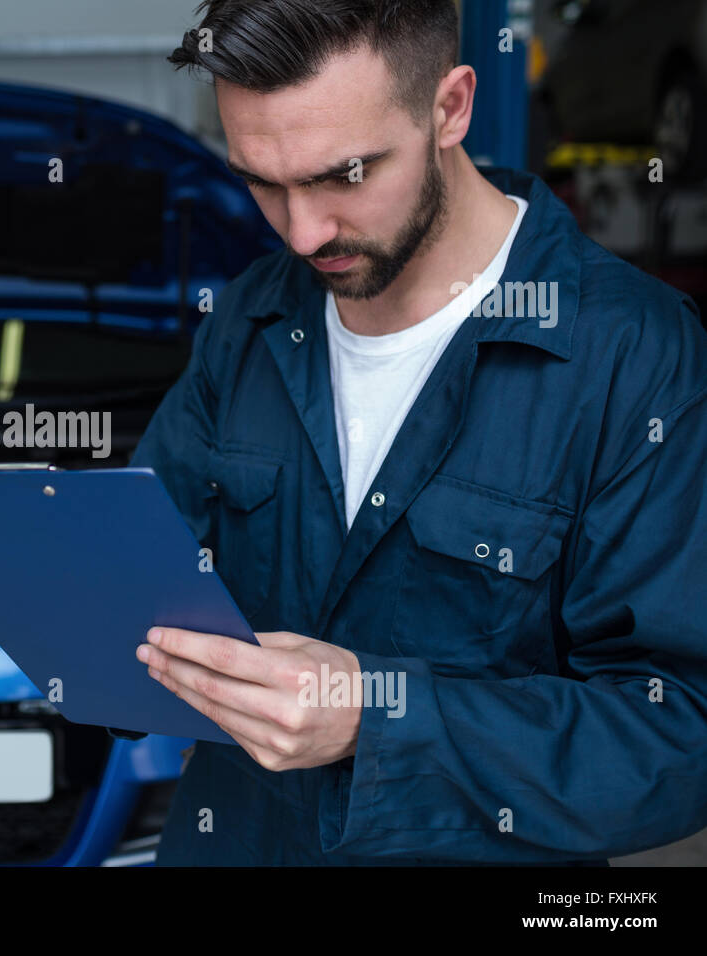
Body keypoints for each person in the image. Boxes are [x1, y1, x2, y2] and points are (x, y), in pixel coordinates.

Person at [128, 0, 707, 864]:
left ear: (451, 107)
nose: (302, 230)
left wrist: (378, 717)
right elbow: (146, 567)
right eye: (261, 179)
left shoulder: (633, 355)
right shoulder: (250, 312)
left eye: (343, 175)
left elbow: (679, 738)